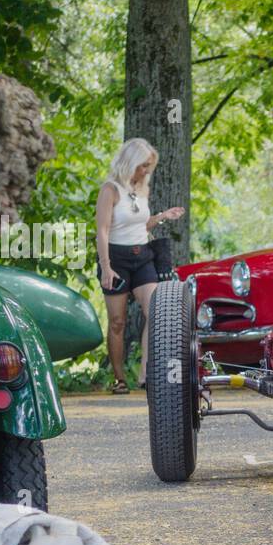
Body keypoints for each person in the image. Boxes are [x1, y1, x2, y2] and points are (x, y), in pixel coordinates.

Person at [95, 138, 184, 393]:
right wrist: (106, 266)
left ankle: (146, 374)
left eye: (149, 166)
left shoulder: (142, 189)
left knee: (155, 312)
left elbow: (138, 225)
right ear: (130, 162)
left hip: (143, 256)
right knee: (117, 322)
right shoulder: (110, 190)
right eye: (143, 165)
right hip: (116, 260)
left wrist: (160, 218)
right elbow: (103, 231)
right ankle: (120, 379)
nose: (146, 171)